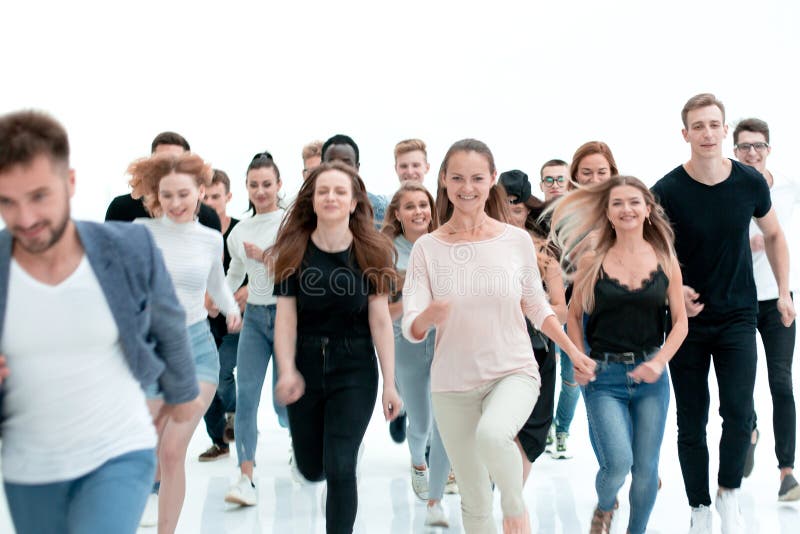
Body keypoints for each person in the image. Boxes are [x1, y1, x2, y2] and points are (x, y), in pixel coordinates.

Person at [0, 110, 201, 534]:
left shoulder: (127, 247)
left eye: (39, 196)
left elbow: (169, 326)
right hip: (31, 464)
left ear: (69, 183)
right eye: (7, 202)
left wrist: (182, 394)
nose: (26, 219)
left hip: (117, 451)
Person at [402, 139, 594, 534]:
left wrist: (573, 350)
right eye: (457, 178)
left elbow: (537, 306)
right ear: (443, 180)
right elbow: (411, 323)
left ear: (492, 180)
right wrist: (427, 318)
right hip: (452, 385)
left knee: (494, 435)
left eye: (476, 177)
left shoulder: (515, 240)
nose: (466, 187)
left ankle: (514, 505)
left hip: (513, 371)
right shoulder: (427, 248)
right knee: (473, 501)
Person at [651, 93, 795, 534]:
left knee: (739, 413)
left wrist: (784, 293)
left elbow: (774, 235)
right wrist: (676, 290)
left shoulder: (750, 183)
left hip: (738, 316)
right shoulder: (667, 190)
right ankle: (698, 508)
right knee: (691, 418)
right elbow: (654, 253)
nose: (708, 133)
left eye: (715, 125)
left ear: (724, 129)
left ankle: (728, 493)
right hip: (687, 323)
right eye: (699, 126)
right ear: (685, 134)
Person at [550, 175, 688, 534]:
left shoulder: (665, 258)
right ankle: (606, 504)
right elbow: (575, 317)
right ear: (608, 213)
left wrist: (659, 362)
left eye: (633, 202)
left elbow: (680, 324)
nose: (626, 209)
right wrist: (580, 359)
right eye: (617, 203)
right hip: (602, 377)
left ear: (647, 210)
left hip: (651, 376)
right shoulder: (592, 259)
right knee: (618, 463)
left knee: (646, 469)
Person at [271, 161, 402, 534]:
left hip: (355, 366)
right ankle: (316, 461)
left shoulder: (373, 251)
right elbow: (286, 319)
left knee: (342, 465)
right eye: (323, 191)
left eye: (339, 191)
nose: (331, 197)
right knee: (313, 468)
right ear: (311, 200)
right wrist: (286, 369)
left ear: (353, 201)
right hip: (305, 363)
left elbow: (380, 320)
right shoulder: (292, 251)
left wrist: (390, 382)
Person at [128, 152, 242, 533]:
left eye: (183, 194)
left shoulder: (211, 239)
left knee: (173, 450)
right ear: (155, 196)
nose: (175, 203)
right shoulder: (141, 233)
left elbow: (216, 284)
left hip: (197, 350)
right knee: (149, 447)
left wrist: (230, 310)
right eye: (166, 195)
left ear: (200, 192)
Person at [732, 117, 800, 501]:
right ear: (735, 151)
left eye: (758, 146)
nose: (752, 153)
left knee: (782, 383)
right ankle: (750, 430)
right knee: (740, 386)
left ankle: (786, 473)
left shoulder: (788, 188)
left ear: (769, 149)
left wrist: (787, 293)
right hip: (737, 299)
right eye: (744, 147)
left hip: (779, 298)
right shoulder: (728, 189)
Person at [381, 181, 452, 526]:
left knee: (443, 421)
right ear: (397, 213)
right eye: (409, 206)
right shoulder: (386, 253)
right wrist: (411, 302)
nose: (418, 212)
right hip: (404, 344)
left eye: (423, 205)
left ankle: (436, 493)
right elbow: (380, 311)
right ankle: (418, 464)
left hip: (443, 344)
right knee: (420, 420)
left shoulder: (444, 246)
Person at [223, 152, 290, 506]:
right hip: (254, 320)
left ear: (279, 185)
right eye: (254, 185)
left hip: (286, 316)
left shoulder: (290, 222)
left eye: (267, 184)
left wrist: (265, 258)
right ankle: (245, 475)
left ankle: (298, 439)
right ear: (246, 188)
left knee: (282, 403)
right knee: (247, 396)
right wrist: (219, 298)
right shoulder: (240, 231)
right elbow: (235, 270)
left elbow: (298, 269)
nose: (261, 191)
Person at [549, 143, 620, 460]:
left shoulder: (627, 205)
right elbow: (558, 263)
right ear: (575, 176)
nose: (594, 179)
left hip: (626, 315)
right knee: (594, 394)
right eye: (586, 173)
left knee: (631, 389)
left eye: (601, 172)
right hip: (583, 313)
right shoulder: (565, 212)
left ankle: (634, 459)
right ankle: (611, 466)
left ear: (612, 173)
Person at [497, 170, 567, 484]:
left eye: (517, 207)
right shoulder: (477, 247)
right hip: (490, 353)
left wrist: (529, 310)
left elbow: (562, 312)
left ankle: (512, 506)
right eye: (503, 207)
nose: (510, 215)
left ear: (527, 211)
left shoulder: (545, 253)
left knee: (530, 434)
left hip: (537, 352)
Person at [197, 169, 248, 462]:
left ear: (228, 197)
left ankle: (232, 416)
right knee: (203, 381)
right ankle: (220, 438)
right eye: (206, 197)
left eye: (217, 196)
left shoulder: (239, 231)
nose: (211, 202)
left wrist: (244, 294)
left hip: (236, 317)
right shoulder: (196, 232)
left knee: (222, 373)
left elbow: (262, 272)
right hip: (203, 317)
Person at [105, 131, 221, 231]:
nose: (169, 167)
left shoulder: (208, 217)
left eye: (176, 161)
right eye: (161, 161)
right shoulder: (121, 208)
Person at [321, 134, 387, 226]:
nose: (339, 169)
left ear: (356, 168)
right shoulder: (310, 205)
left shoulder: (377, 208)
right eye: (332, 163)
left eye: (346, 164)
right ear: (322, 167)